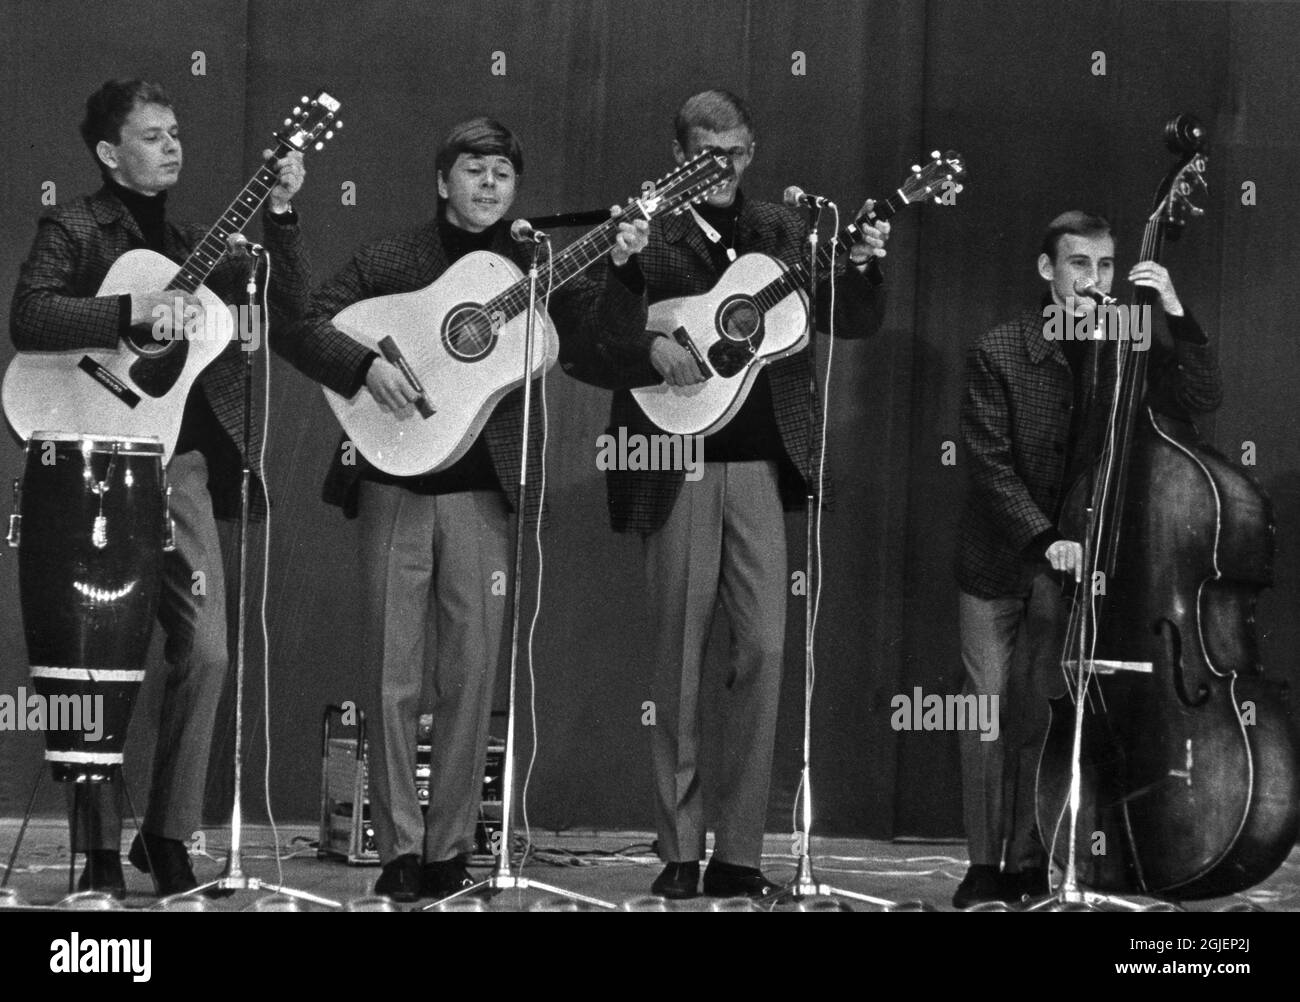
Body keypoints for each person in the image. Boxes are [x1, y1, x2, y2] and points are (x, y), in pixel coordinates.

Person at [287, 117, 649, 902]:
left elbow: (606, 344)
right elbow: (306, 324)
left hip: (487, 493)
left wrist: (624, 270)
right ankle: (398, 853)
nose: (489, 185)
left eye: (503, 175)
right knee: (392, 679)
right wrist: (361, 368)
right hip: (395, 485)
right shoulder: (392, 259)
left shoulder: (539, 263)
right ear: (442, 180)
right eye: (475, 170)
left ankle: (449, 851)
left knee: (469, 675)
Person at [9, 78, 310, 897]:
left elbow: (291, 312)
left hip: (177, 466)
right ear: (109, 152)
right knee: (93, 660)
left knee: (207, 650)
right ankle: (101, 849)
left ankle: (169, 834)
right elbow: (29, 317)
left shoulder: (192, 240)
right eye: (150, 135)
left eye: (175, 132)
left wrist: (280, 215)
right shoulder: (73, 224)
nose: (171, 146)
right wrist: (128, 314)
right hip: (89, 463)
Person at [601, 90, 890, 900]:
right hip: (676, 463)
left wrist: (863, 262)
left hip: (763, 466)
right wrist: (651, 339)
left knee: (762, 655)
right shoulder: (646, 233)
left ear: (751, 152)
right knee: (678, 665)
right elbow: (591, 326)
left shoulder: (786, 233)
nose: (720, 166)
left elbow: (852, 317)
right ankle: (680, 851)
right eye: (704, 151)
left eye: (734, 151)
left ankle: (739, 854)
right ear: (679, 153)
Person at [953, 209, 1222, 908]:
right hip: (1000, 563)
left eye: (1105, 268)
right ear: (1048, 272)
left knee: (1044, 720)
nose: (1094, 283)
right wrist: (1046, 538)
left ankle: (1029, 862)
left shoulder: (1127, 345)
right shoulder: (1000, 349)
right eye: (1080, 266)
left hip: (1072, 576)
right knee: (988, 718)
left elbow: (1200, 398)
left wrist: (1174, 312)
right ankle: (986, 864)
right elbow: (989, 467)